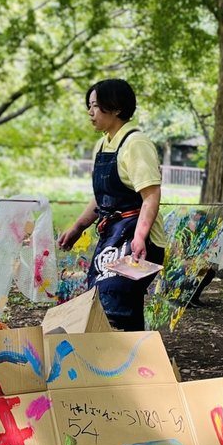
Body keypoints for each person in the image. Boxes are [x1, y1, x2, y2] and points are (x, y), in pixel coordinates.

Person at [57, 78, 165, 331]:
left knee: (113, 299)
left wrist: (140, 238)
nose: (90, 112)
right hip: (112, 236)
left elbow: (151, 195)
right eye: (89, 106)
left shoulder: (135, 144)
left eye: (95, 106)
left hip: (139, 239)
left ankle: (126, 361)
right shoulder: (103, 144)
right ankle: (133, 359)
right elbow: (103, 196)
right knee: (105, 300)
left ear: (116, 108)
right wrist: (77, 227)